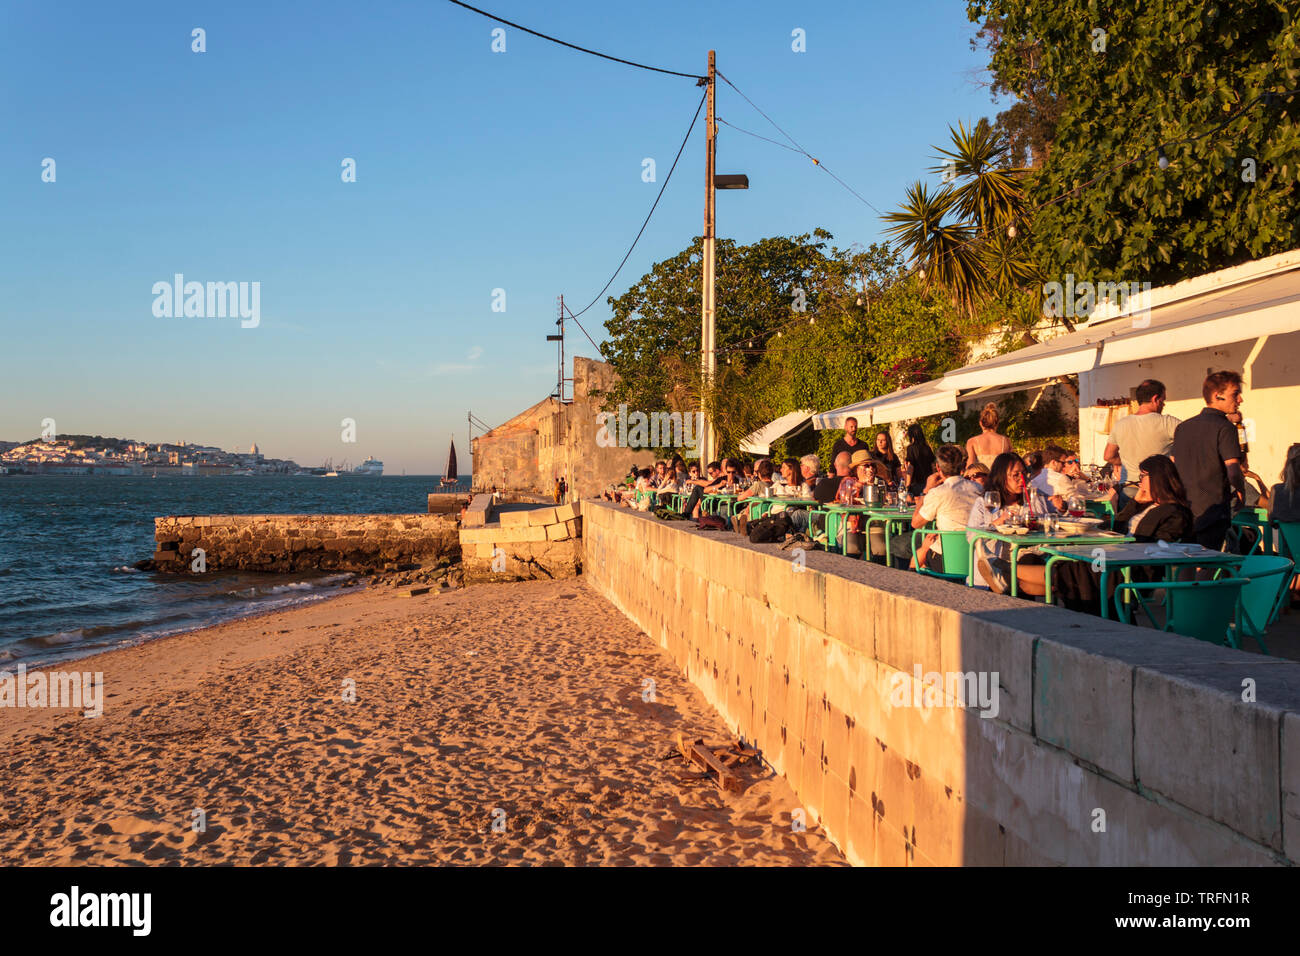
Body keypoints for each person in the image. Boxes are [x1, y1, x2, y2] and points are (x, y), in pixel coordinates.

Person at [1045, 456, 1195, 614]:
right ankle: (1090, 615)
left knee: (1076, 570)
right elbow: (1117, 528)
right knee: (1071, 566)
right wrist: (1135, 502)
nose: (1139, 482)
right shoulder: (1146, 505)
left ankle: (1092, 616)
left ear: (1158, 479)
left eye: (1143, 476)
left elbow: (1155, 546)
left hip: (1133, 569)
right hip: (1118, 560)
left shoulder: (1175, 512)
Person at [1171, 370, 1245, 550]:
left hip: (1184, 507)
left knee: (1185, 561)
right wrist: (1241, 492)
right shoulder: (1225, 427)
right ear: (1217, 395)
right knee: (1208, 564)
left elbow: (1173, 463)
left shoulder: (1183, 427)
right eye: (1235, 393)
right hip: (1213, 507)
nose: (1240, 399)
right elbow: (1234, 470)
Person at [967, 452, 1052, 594]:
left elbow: (1048, 526)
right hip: (993, 564)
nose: (1022, 479)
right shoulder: (984, 503)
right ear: (1001, 477)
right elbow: (971, 537)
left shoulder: (1032, 498)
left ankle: (1005, 579)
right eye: (1015, 475)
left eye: (1024, 473)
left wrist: (1060, 508)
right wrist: (996, 523)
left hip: (1027, 560)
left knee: (1030, 559)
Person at [890, 443, 981, 570]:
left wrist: (926, 490)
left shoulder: (937, 493)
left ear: (938, 467)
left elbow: (916, 523)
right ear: (963, 466)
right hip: (975, 553)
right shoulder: (979, 489)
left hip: (946, 557)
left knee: (899, 544)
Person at [1103, 379, 1180, 484]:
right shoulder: (1167, 422)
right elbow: (1193, 442)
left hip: (1128, 487)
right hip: (1157, 487)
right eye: (1163, 401)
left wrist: (1126, 462)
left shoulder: (1120, 424)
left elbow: (1108, 456)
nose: (1163, 405)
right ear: (1155, 399)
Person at [966, 403, 1014, 470]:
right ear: (997, 423)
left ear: (981, 423)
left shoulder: (972, 441)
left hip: (982, 478)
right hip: (1000, 478)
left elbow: (971, 463)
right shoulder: (1006, 440)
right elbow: (1012, 463)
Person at [900, 424, 937, 498]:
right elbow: (933, 466)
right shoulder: (927, 448)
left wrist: (907, 486)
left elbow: (911, 467)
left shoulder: (911, 448)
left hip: (916, 484)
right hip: (928, 483)